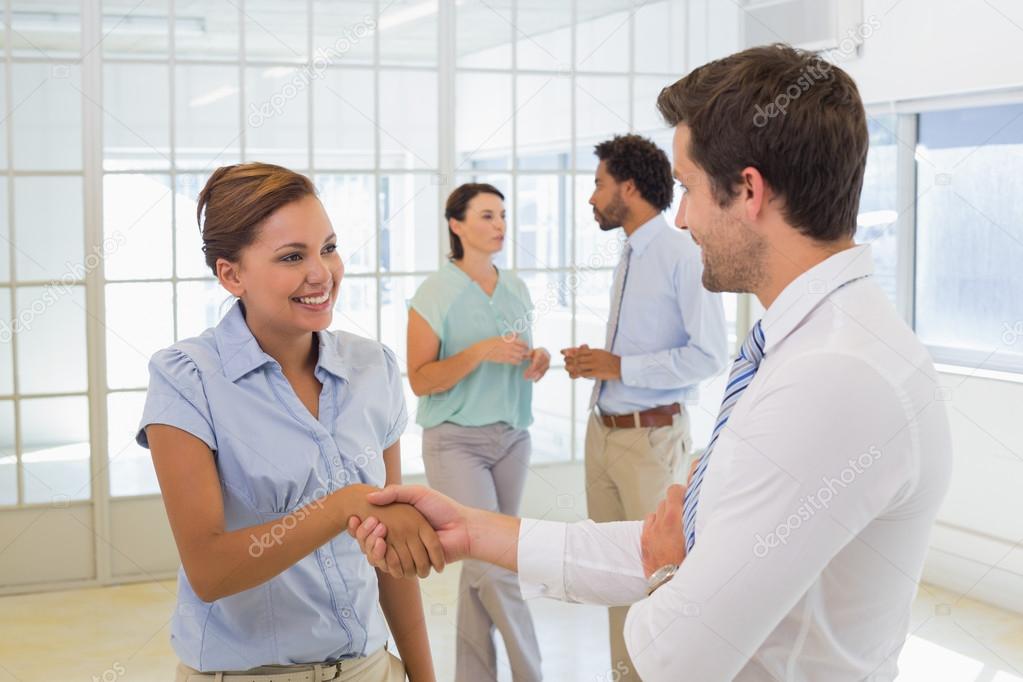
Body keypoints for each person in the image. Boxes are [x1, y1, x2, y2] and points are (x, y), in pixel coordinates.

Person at [347, 44, 954, 682]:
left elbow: (672, 654)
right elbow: (654, 549)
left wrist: (668, 572)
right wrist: (472, 531)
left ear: (749, 191)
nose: (683, 217)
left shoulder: (834, 378)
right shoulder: (810, 347)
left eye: (689, 188)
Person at [136, 163, 443, 682]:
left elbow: (388, 555)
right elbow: (209, 569)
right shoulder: (187, 379)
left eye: (328, 247)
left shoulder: (373, 368)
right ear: (232, 274)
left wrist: (423, 677)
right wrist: (345, 503)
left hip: (369, 668)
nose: (321, 272)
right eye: (291, 257)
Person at [561, 133, 728, 678]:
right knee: (613, 576)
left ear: (628, 188)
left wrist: (620, 368)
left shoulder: (681, 251)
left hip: (651, 442)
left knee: (659, 580)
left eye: (599, 185)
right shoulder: (630, 252)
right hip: (604, 431)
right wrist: (599, 365)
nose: (592, 198)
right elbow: (638, 350)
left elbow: (707, 356)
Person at [405, 183, 549, 682]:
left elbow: (519, 356)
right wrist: (480, 351)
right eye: (487, 215)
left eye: (503, 215)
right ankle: (533, 673)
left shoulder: (517, 289)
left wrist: (537, 359)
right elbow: (421, 378)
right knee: (498, 563)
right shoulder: (434, 292)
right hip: (455, 442)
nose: (500, 225)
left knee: (480, 563)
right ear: (457, 224)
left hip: (512, 438)